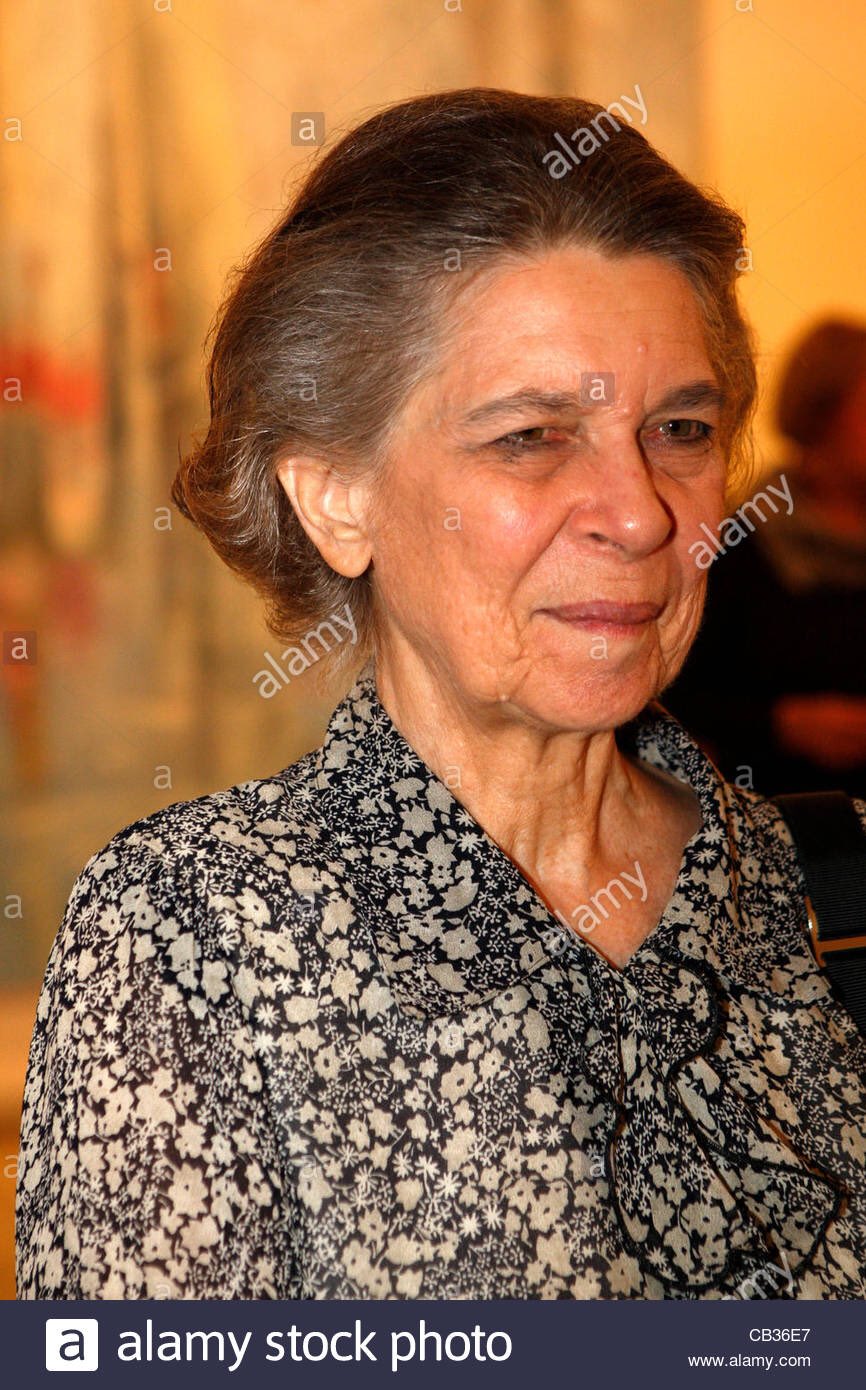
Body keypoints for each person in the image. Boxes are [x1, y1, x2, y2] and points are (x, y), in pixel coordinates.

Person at [16, 88, 866, 1301]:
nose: (639, 513)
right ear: (336, 499)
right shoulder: (195, 936)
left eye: (679, 427)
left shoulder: (824, 883)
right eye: (530, 436)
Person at [665, 319, 866, 797]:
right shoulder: (739, 546)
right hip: (777, 813)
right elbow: (679, 697)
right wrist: (784, 723)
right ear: (822, 413)